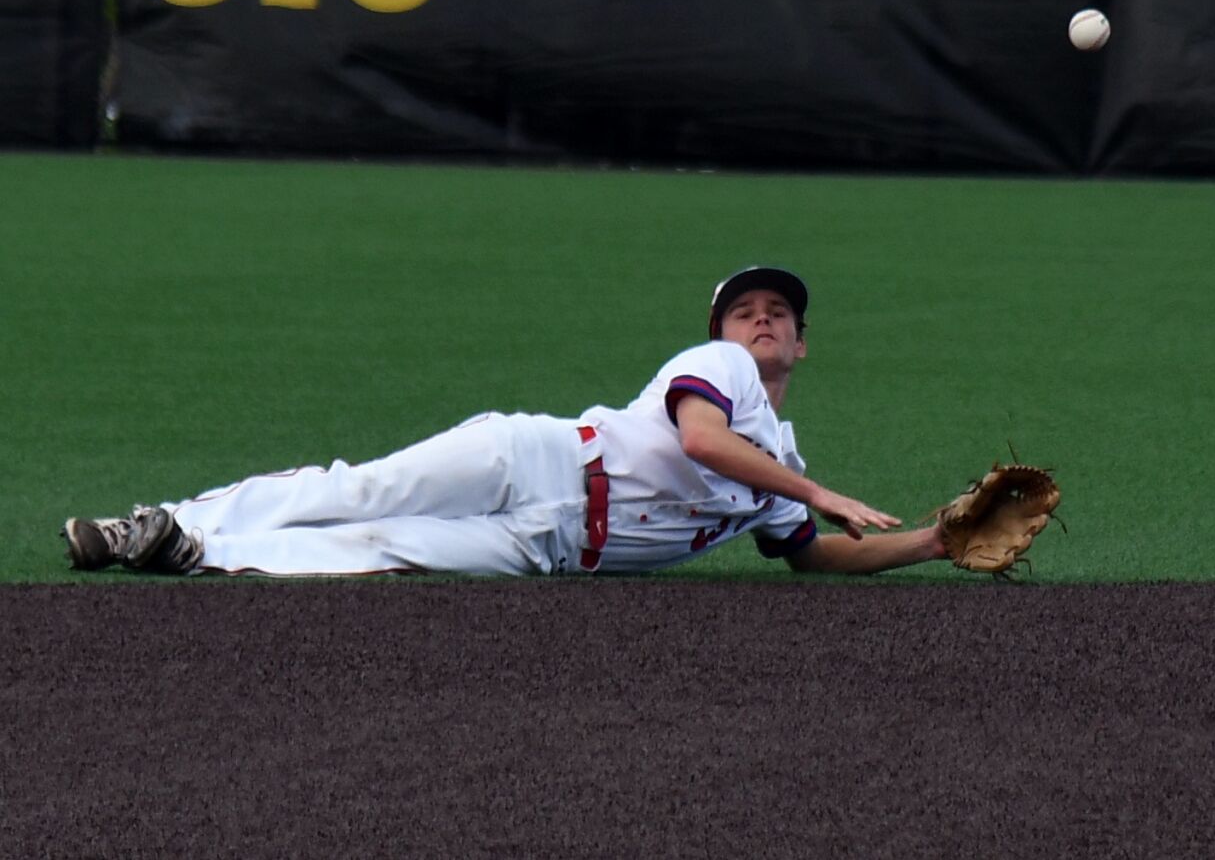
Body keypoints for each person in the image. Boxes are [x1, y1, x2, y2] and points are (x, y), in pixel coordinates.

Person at [62, 266, 948, 578]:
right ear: (719, 333)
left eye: (778, 313)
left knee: (381, 549)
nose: (761, 320)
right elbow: (701, 441)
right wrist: (816, 490)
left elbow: (811, 555)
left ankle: (190, 551)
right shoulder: (721, 371)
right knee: (359, 490)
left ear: (801, 343)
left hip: (550, 547)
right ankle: (152, 520)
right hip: (535, 460)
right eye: (744, 310)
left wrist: (931, 542)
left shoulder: (783, 457)